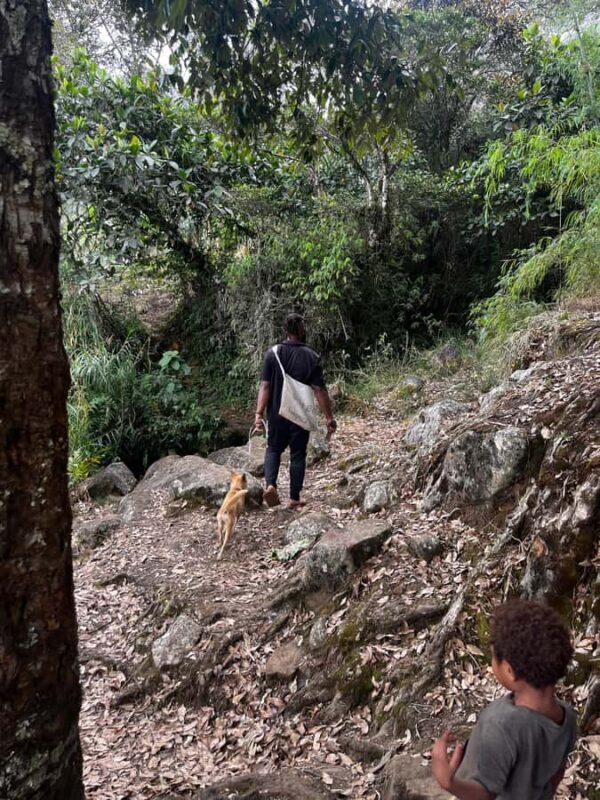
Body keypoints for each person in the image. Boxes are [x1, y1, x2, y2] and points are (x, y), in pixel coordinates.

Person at [431, 599, 576, 800]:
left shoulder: (501, 725)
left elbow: (484, 793)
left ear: (509, 670)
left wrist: (448, 782)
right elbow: (557, 773)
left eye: (493, 657)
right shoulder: (567, 717)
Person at [254, 313, 336, 509]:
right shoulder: (311, 356)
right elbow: (319, 390)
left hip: (276, 414)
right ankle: (294, 497)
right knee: (297, 454)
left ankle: (271, 485)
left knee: (273, 449)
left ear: (287, 330)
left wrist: (258, 414)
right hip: (299, 415)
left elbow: (265, 386)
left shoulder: (272, 354)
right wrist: (328, 417)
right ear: (301, 330)